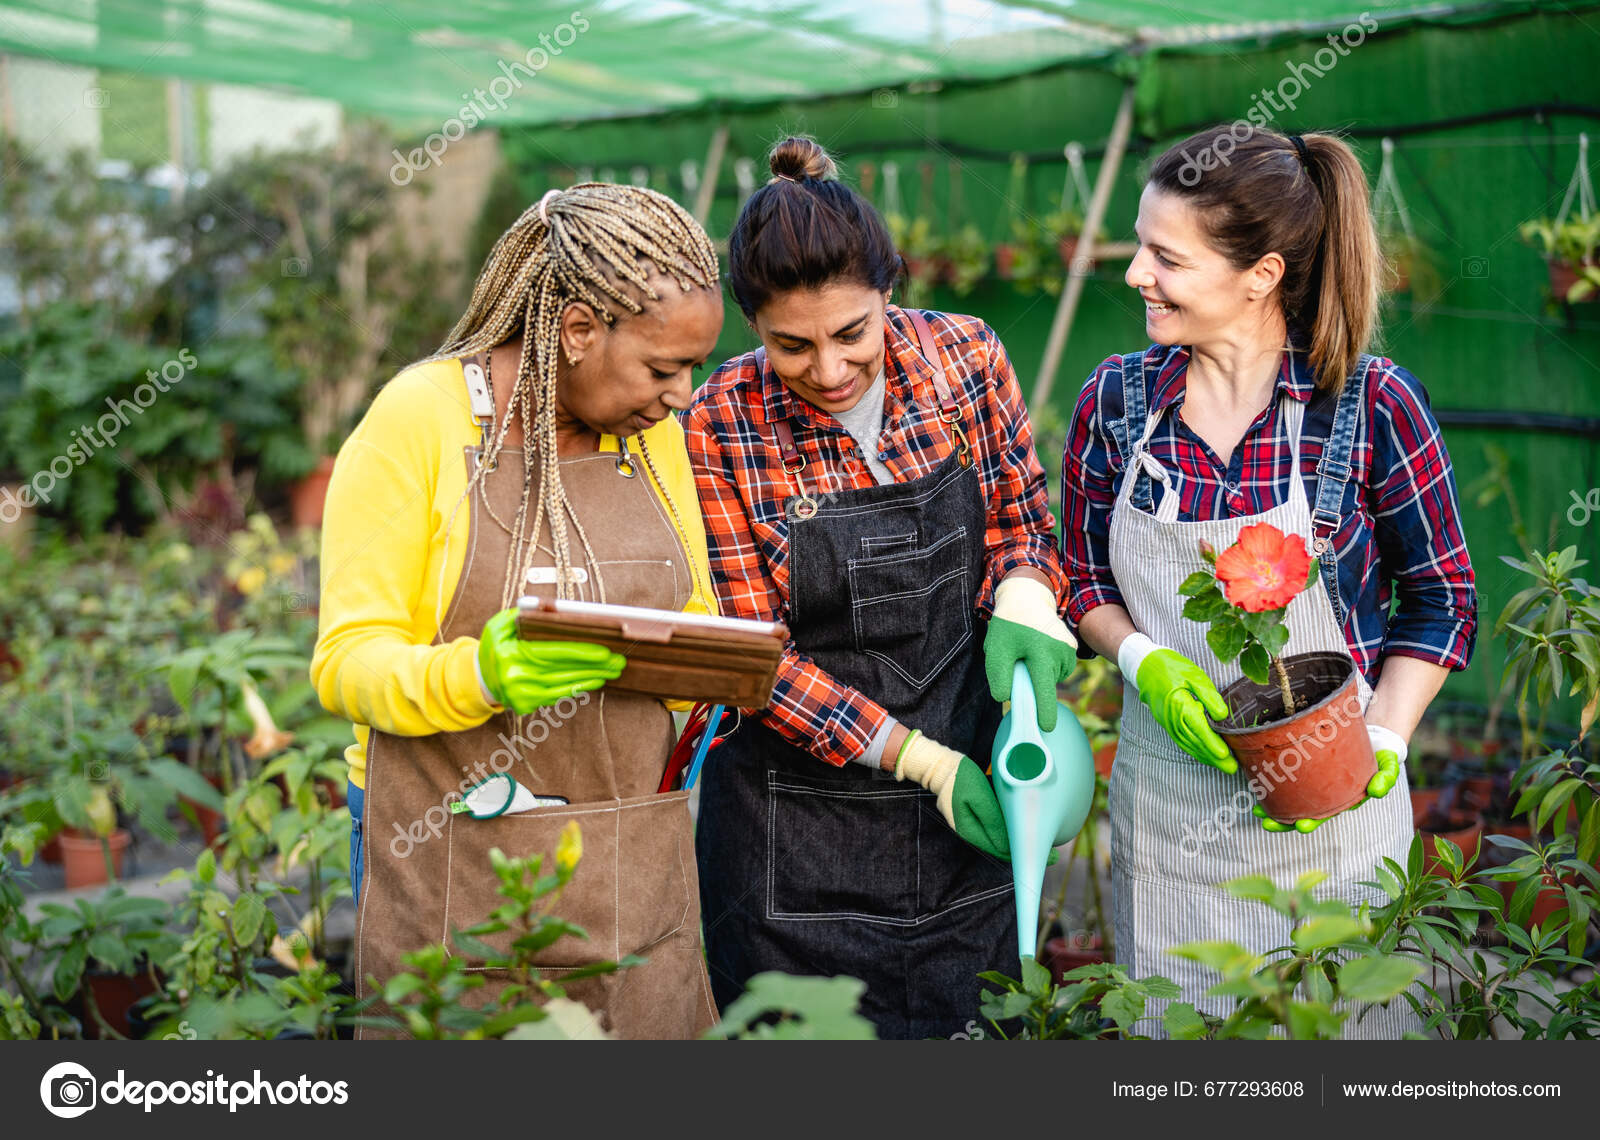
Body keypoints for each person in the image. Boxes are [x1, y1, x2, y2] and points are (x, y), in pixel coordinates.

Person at [1059, 126, 1477, 1037]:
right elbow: (1081, 575)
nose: (1135, 273)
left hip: (1336, 829)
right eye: (1140, 246)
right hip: (1168, 817)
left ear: (1262, 275)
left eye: (1166, 257)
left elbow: (1443, 598)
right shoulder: (1117, 402)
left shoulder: (1370, 407)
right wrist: (1140, 662)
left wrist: (1389, 740)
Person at [311, 183, 726, 1038]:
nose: (684, 394)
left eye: (692, 368)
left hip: (627, 846)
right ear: (577, 330)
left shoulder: (652, 437)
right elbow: (347, 661)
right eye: (661, 368)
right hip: (448, 850)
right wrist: (481, 672)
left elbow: (690, 601)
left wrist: (714, 666)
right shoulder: (417, 422)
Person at [684, 138, 1076, 1039]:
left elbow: (1021, 522)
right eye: (791, 345)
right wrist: (916, 759)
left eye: (852, 332)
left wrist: (1024, 593)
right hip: (794, 851)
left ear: (889, 291)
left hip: (967, 819)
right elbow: (754, 660)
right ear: (752, 327)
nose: (828, 370)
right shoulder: (719, 422)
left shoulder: (965, 362)